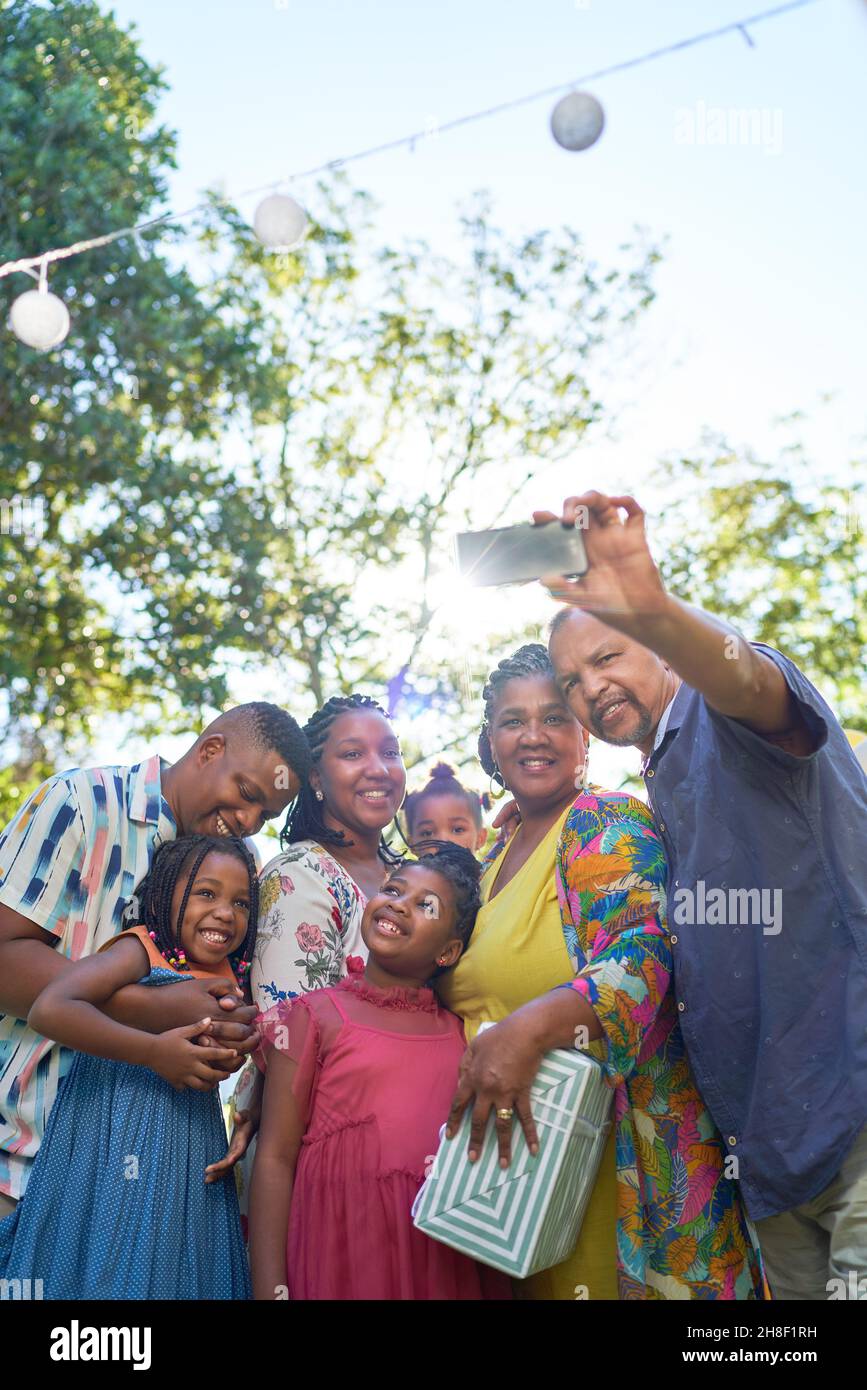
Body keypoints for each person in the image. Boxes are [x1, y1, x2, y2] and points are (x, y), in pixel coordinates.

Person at [537, 488, 867, 1300]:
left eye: (609, 654)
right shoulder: (656, 788)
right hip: (774, 1165)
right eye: (572, 681)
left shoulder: (732, 718)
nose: (591, 687)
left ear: (661, 648)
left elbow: (745, 678)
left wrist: (650, 606)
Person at [440, 643, 764, 1300]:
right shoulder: (485, 860)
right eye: (511, 720)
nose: (533, 736)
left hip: (621, 1167)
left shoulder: (602, 818)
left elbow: (642, 957)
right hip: (518, 1183)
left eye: (555, 716)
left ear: (584, 732)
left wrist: (523, 1030)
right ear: (490, 741)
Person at [0, 701, 310, 1216]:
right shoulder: (82, 803)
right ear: (210, 750)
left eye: (266, 815)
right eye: (247, 795)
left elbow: (221, 1002)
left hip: (147, 1186)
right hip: (21, 1160)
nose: (249, 821)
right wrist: (155, 1008)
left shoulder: (239, 870)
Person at [248, 843, 510, 1300]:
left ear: (449, 951)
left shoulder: (462, 1040)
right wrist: (271, 1289)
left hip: (437, 1265)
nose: (399, 904)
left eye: (426, 905)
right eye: (394, 889)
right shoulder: (312, 1018)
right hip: (338, 1257)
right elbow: (274, 1158)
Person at [0, 835, 258, 1298]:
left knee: (171, 1265)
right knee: (110, 1255)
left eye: (241, 902)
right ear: (164, 894)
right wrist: (153, 1052)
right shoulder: (141, 949)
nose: (225, 912)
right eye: (206, 893)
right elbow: (50, 1008)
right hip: (114, 1130)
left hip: (187, 1144)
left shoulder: (229, 974)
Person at [215, 694, 407, 1203]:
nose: (378, 769)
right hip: (323, 1157)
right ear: (316, 780)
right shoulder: (300, 875)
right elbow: (291, 1045)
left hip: (411, 1146)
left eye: (391, 752)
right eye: (352, 754)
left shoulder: (410, 880)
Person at [403, 761, 489, 855]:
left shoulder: (503, 869)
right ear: (412, 844)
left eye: (458, 830)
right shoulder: (397, 869)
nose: (443, 842)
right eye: (427, 833)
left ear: (480, 838)